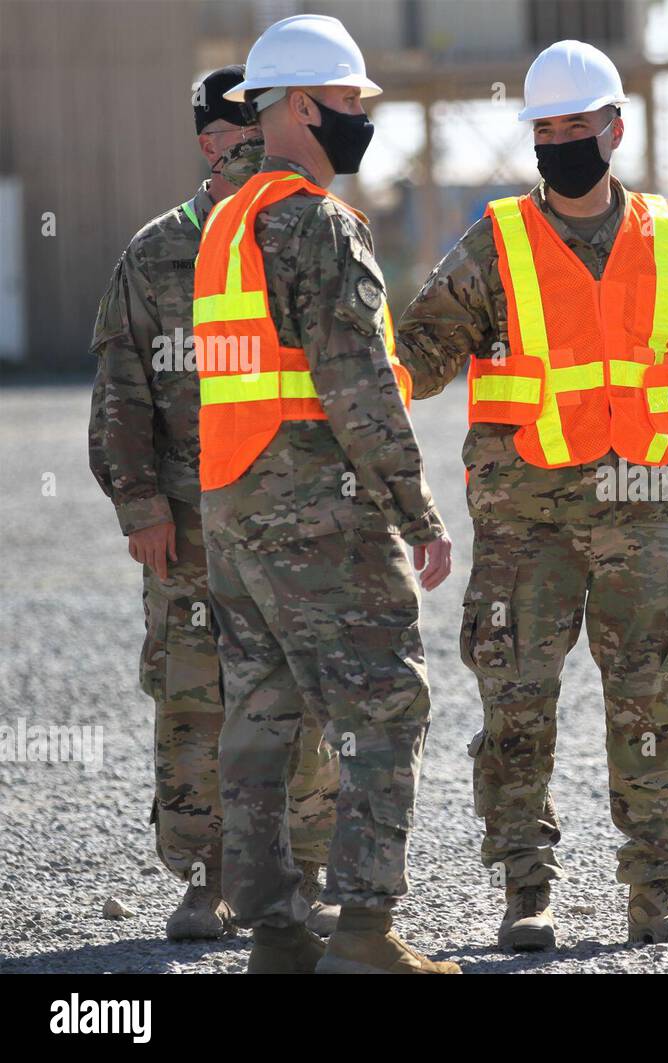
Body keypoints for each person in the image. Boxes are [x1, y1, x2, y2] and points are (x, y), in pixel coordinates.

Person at [396, 39, 668, 952]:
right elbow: (422, 352)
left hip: (640, 504)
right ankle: (526, 892)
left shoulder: (667, 238)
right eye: (544, 129)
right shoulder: (498, 241)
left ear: (614, 129)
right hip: (524, 516)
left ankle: (657, 890)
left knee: (649, 701)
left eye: (575, 126)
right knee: (517, 703)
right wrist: (349, 371)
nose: (559, 143)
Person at [200, 14, 458, 973]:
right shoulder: (317, 224)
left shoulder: (227, 220)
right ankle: (361, 933)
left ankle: (275, 934)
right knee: (384, 702)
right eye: (351, 102)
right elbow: (361, 388)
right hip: (319, 504)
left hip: (233, 504)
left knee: (261, 717)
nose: (360, 118)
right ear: (304, 106)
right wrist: (416, 511)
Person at [88, 63, 339, 942]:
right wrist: (142, 508)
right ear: (208, 143)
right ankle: (205, 878)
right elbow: (121, 397)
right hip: (191, 529)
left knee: (301, 696)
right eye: (244, 138)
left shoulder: (307, 234)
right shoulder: (156, 253)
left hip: (295, 522)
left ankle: (302, 874)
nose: (259, 153)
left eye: (268, 134)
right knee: (193, 698)